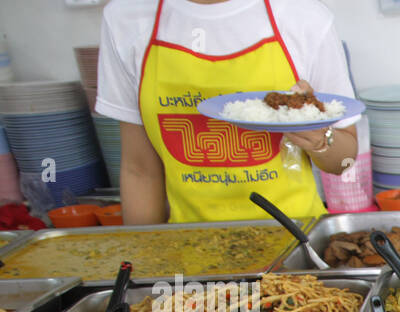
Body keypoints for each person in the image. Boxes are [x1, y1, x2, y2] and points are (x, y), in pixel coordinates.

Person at [95, 0, 358, 224]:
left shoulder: (303, 16)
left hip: (295, 242)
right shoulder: (126, 18)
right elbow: (140, 169)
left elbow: (344, 161)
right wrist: (143, 264)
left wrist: (320, 139)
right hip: (188, 249)